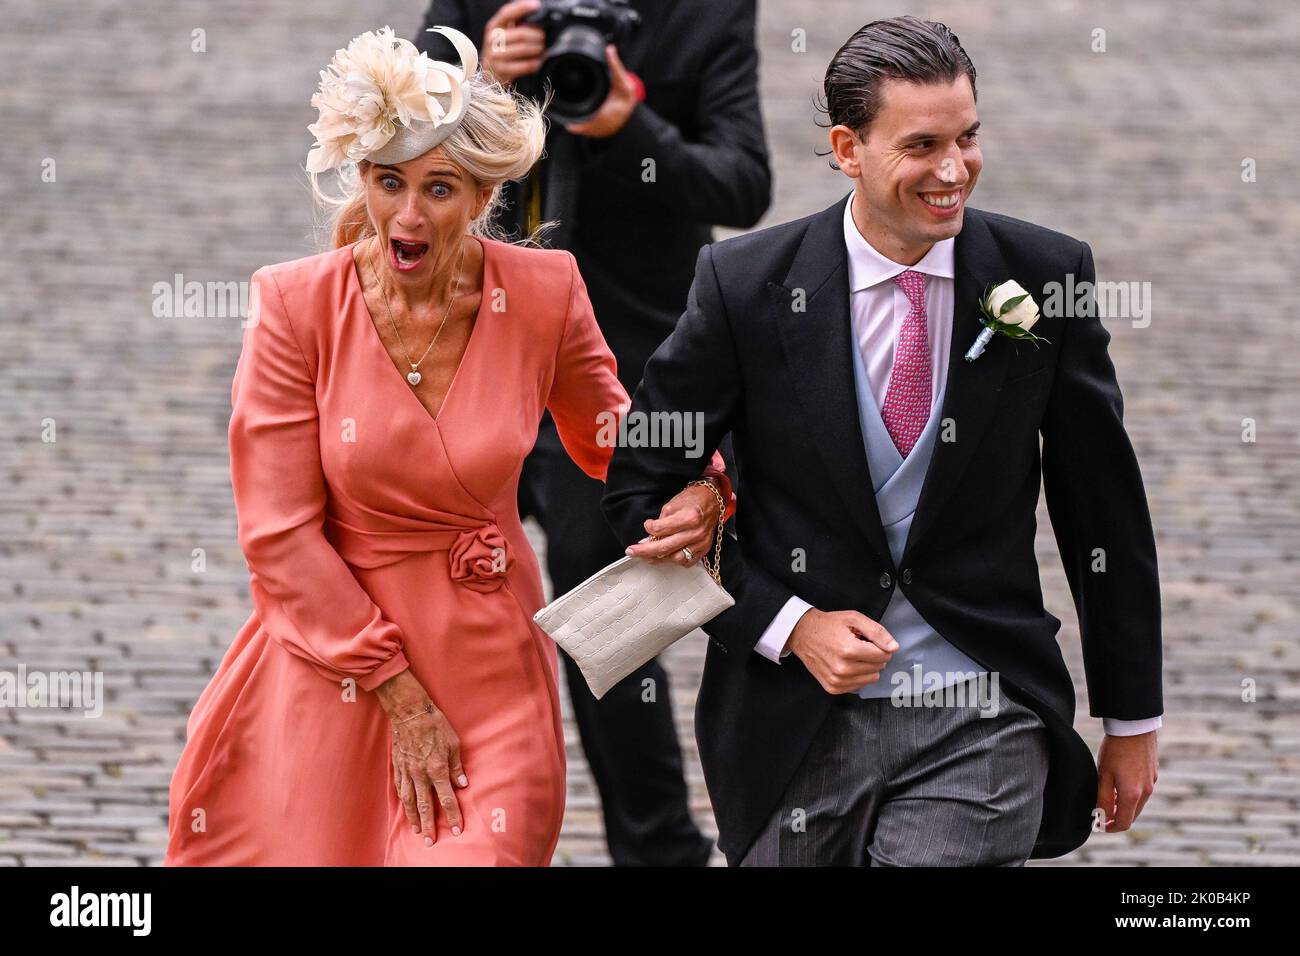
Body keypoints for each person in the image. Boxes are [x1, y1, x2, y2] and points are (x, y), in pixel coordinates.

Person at [165, 25, 732, 866]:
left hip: (487, 668)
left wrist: (702, 483)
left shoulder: (544, 291)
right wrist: (397, 693)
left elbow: (613, 439)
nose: (408, 214)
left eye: (439, 188)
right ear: (362, 179)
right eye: (389, 182)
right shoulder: (295, 307)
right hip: (336, 666)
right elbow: (279, 535)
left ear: (482, 196)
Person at [602, 16, 1163, 866]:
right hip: (789, 723)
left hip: (985, 709)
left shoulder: (1045, 277)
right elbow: (639, 493)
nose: (953, 170)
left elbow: (1103, 512)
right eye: (923, 144)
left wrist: (1131, 720)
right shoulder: (746, 286)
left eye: (969, 137)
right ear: (847, 146)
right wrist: (791, 626)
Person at [417, 0, 771, 866]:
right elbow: (388, 141)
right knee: (420, 599)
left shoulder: (708, 10)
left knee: (603, 618)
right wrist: (475, 86)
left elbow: (742, 184)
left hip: (615, 367)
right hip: (453, 347)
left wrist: (628, 123)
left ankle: (661, 853)